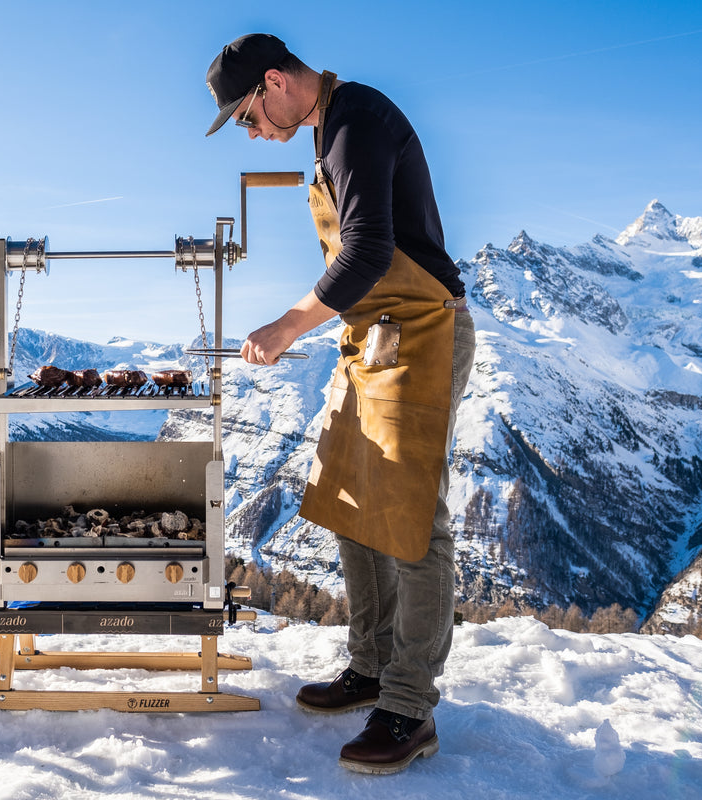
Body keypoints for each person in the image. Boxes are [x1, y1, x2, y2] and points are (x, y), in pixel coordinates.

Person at [204, 34, 476, 775]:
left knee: (415, 517)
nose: (252, 133)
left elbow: (367, 253)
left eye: (247, 117)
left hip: (422, 330)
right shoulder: (328, 130)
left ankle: (410, 704)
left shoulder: (355, 121)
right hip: (376, 335)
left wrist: (287, 324)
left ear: (273, 83)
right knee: (351, 495)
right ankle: (372, 664)